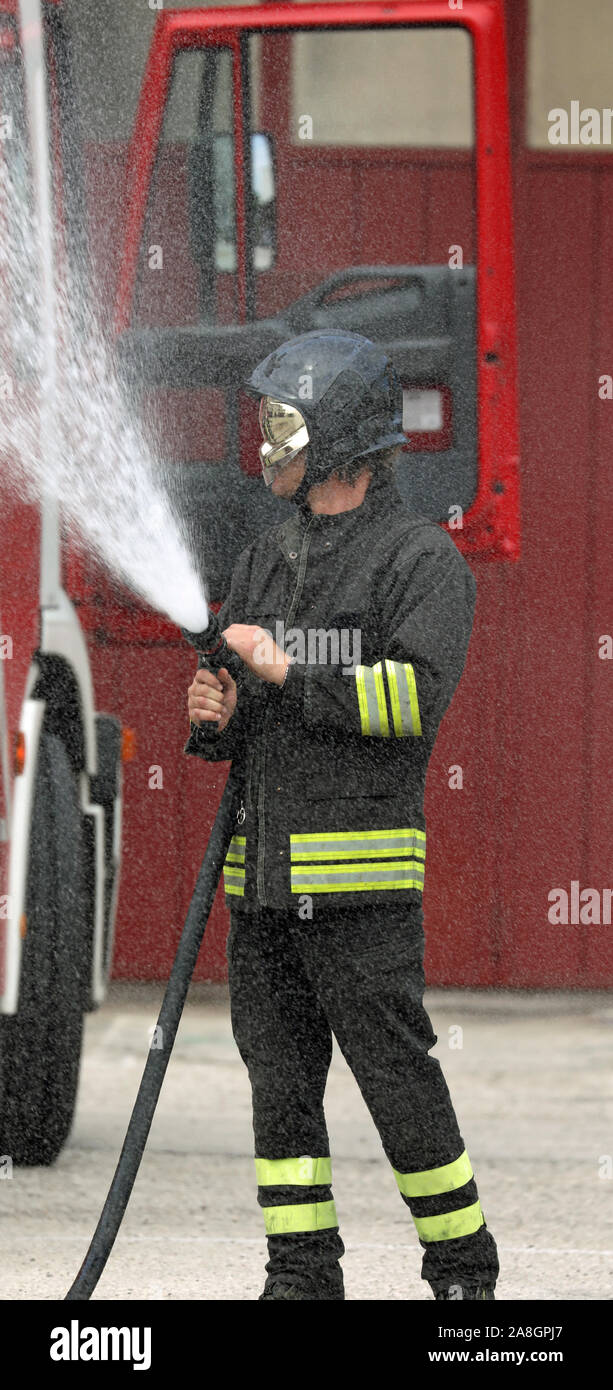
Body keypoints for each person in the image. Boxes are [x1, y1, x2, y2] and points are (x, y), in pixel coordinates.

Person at [185, 329, 499, 1302]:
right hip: (263, 890)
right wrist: (217, 717)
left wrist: (283, 668)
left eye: (283, 424)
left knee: (396, 1084)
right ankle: (300, 1279)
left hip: (357, 894)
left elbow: (407, 702)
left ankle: (460, 1272)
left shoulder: (421, 564)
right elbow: (248, 724)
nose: (266, 444)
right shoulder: (263, 558)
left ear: (337, 436)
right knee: (279, 1097)